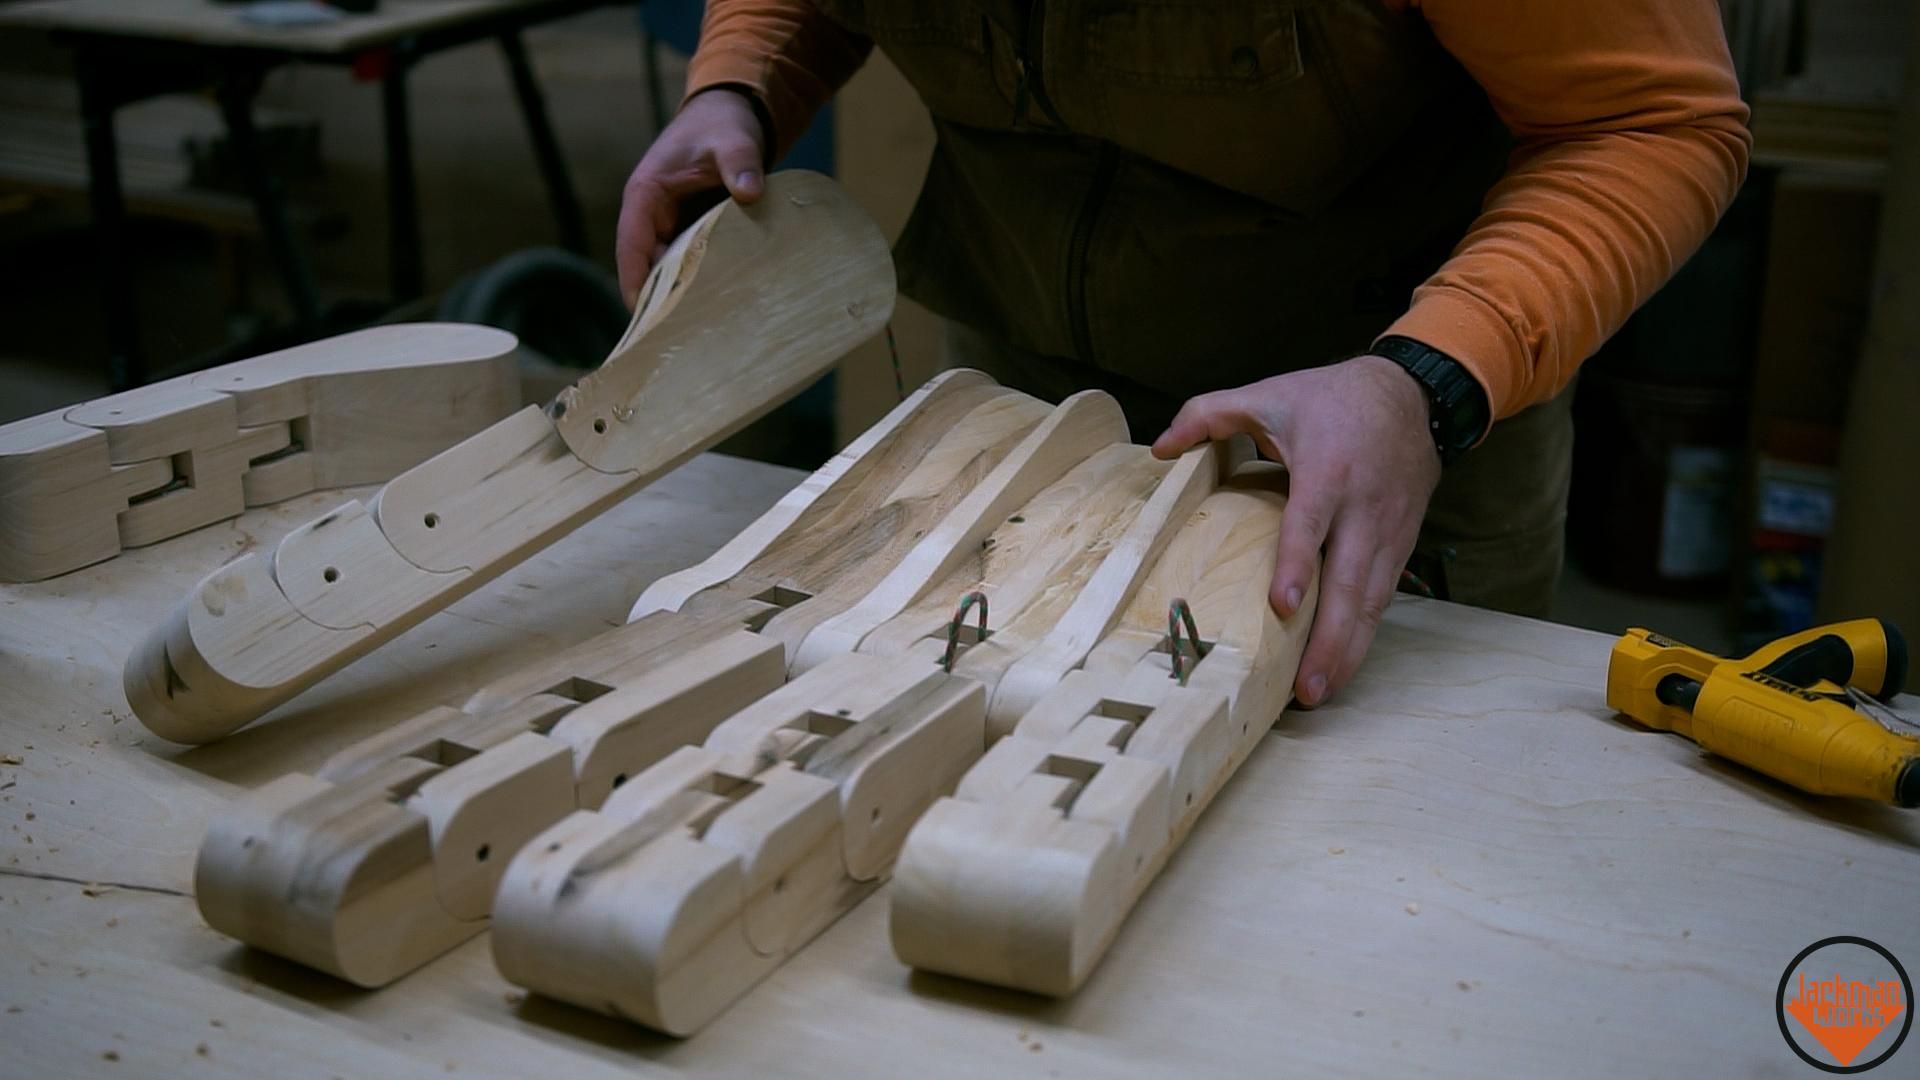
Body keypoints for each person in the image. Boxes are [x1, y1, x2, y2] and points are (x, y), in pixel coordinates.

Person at [615, 1, 1751, 707]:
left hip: (1373, 426)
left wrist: (1433, 375)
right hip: (1027, 409)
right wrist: (743, 83)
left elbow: (1651, 122)